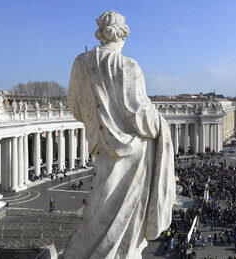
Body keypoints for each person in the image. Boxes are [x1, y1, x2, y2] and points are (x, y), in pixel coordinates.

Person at [64, 11, 176, 258]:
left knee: (99, 206)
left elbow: (75, 106)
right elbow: (140, 115)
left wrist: (97, 120)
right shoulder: (128, 66)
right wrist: (161, 123)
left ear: (101, 34)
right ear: (123, 34)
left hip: (102, 145)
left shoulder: (80, 63)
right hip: (133, 152)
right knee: (124, 216)